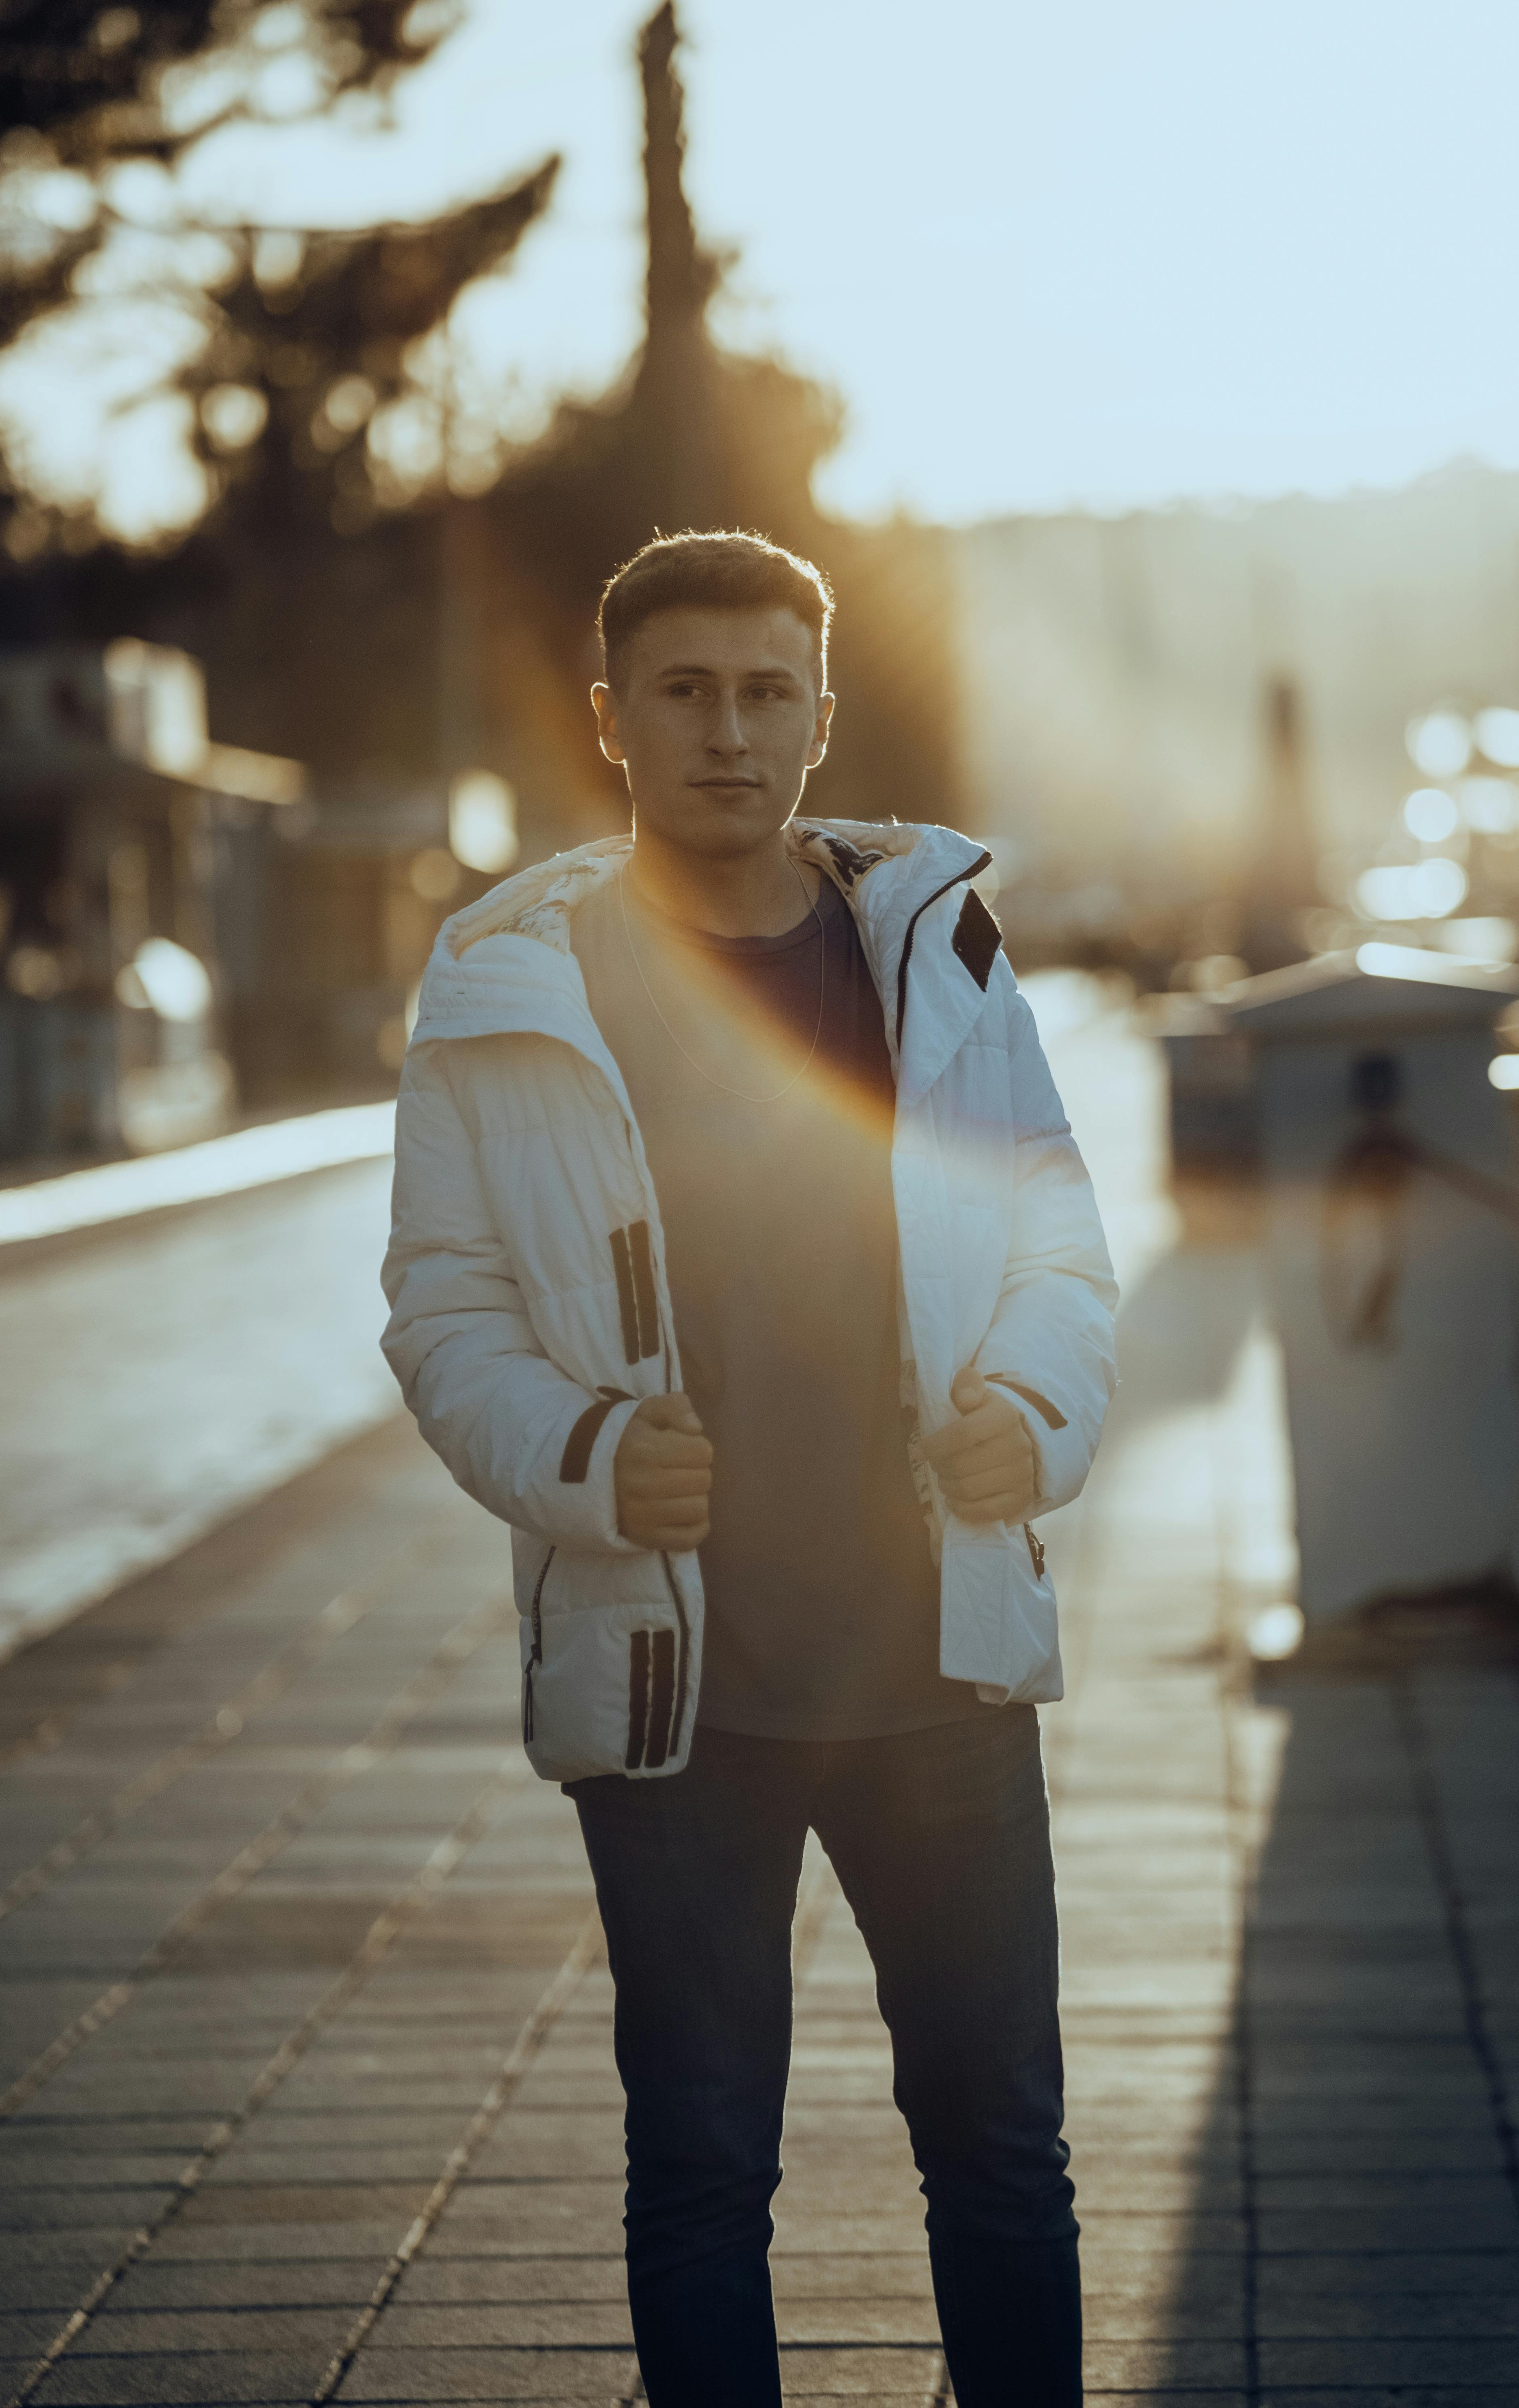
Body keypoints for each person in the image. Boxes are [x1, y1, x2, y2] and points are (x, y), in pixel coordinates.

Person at [381, 529, 1117, 2407]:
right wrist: (582, 1453)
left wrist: (1029, 1416)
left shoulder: (931, 952)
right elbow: (444, 1307)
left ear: (819, 713)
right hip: (672, 1679)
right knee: (703, 2172)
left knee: (1004, 2160)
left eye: (767, 690)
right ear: (614, 722)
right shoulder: (499, 992)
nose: (730, 730)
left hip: (935, 1658)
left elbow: (1049, 1238)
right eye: (686, 693)